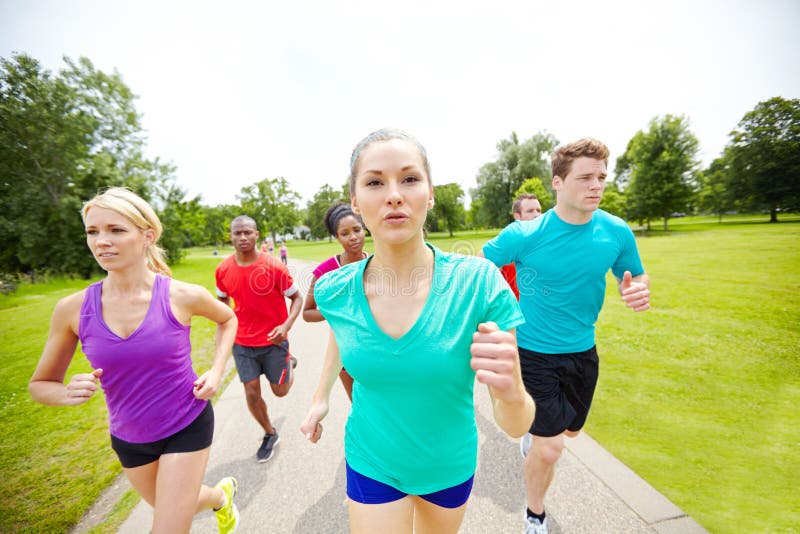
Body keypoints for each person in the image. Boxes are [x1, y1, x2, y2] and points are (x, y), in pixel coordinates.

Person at [300, 129, 535, 533]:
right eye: (375, 182)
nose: (393, 194)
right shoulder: (335, 290)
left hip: (448, 464)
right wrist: (320, 397)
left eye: (409, 179)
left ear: (430, 194)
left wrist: (512, 390)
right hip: (371, 458)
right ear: (355, 201)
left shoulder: (478, 284)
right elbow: (343, 334)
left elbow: (516, 426)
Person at [29, 187, 240, 534]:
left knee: (169, 525)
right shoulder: (71, 309)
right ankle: (220, 497)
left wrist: (217, 371)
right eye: (92, 232)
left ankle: (214, 498)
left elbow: (227, 318)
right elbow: (40, 385)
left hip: (186, 423)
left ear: (147, 236)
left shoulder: (181, 295)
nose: (101, 242)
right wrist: (64, 392)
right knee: (170, 504)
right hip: (129, 438)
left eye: (115, 230)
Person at [480, 138, 651, 534]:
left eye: (602, 178)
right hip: (534, 353)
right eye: (586, 177)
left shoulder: (615, 231)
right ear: (557, 182)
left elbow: (634, 273)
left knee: (571, 431)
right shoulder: (525, 234)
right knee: (551, 447)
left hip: (583, 354)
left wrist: (637, 287)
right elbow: (478, 269)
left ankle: (539, 437)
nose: (597, 185)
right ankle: (534, 515)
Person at [215, 215, 302, 463]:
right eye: (237, 233)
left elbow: (297, 298)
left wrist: (286, 325)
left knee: (281, 391)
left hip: (274, 342)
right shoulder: (223, 270)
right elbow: (222, 303)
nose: (242, 237)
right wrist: (223, 331)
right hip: (242, 344)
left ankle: (289, 363)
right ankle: (269, 433)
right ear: (231, 237)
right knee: (251, 392)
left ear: (256, 234)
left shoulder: (274, 266)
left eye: (247, 232)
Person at [302, 202, 368, 400]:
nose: (353, 237)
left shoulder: (377, 261)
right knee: (357, 402)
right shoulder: (325, 270)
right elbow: (307, 313)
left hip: (379, 345)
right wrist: (337, 311)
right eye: (345, 233)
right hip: (345, 349)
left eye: (357, 230)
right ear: (337, 237)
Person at [500, 194, 543, 299]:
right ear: (517, 217)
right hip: (514, 310)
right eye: (530, 211)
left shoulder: (549, 242)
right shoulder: (505, 243)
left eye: (538, 210)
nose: (536, 215)